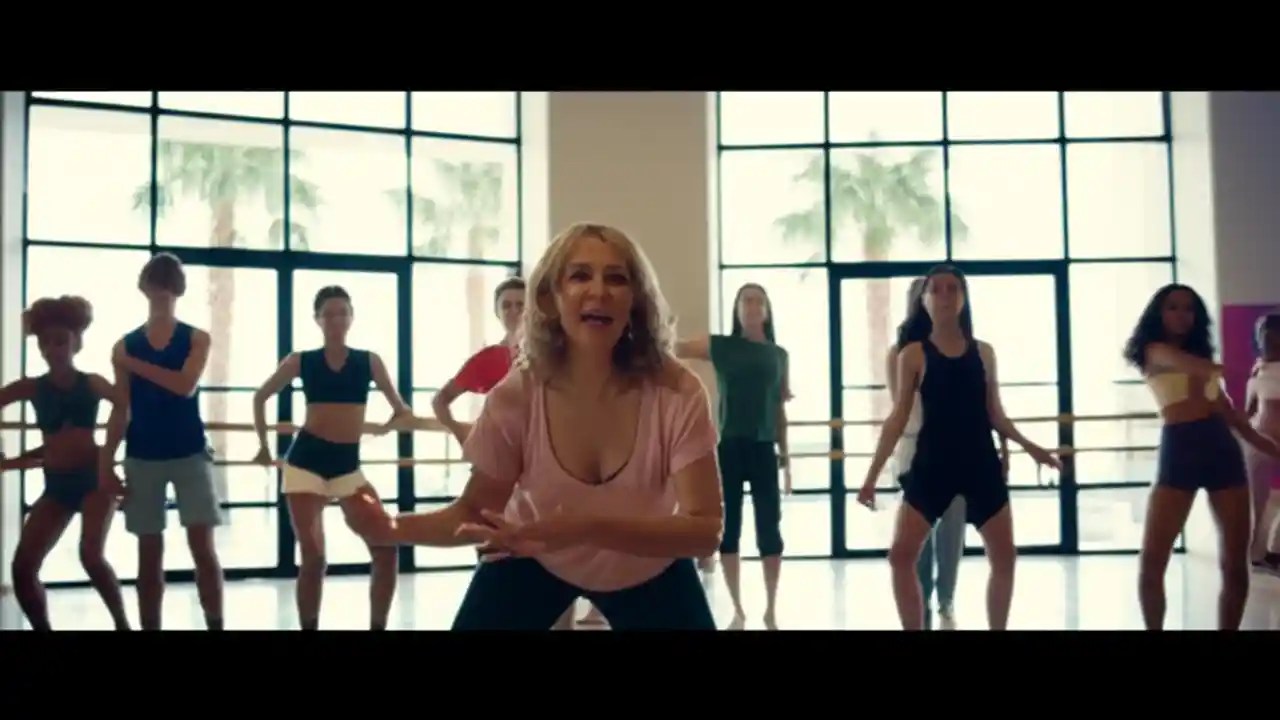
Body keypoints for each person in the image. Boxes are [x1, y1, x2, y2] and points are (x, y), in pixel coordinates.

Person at [366, 221, 723, 630]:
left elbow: (704, 530)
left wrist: (586, 528)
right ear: (551, 298)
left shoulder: (676, 392)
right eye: (580, 275)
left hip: (648, 565)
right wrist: (390, 526)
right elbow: (473, 513)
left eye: (617, 278)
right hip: (534, 553)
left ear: (636, 301)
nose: (599, 290)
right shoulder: (516, 395)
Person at [856, 264, 1060, 631]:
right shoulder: (913, 355)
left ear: (964, 298)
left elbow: (995, 413)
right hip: (933, 466)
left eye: (954, 289)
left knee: (1005, 558)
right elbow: (897, 418)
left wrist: (1032, 448)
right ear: (925, 299)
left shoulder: (984, 353)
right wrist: (871, 476)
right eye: (938, 290)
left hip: (980, 465)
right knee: (901, 557)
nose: (946, 296)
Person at [251, 285, 410, 631]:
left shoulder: (369, 361)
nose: (337, 319)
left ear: (352, 317)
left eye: (343, 312)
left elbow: (400, 407)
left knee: (386, 547)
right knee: (314, 557)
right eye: (329, 313)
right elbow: (260, 396)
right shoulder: (300, 360)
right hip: (305, 465)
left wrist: (386, 425)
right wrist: (264, 446)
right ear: (317, 320)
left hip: (347, 468)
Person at [1121, 283, 1280, 630]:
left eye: (1189, 309)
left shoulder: (1203, 361)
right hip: (1179, 450)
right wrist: (1231, 367)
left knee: (1236, 566)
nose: (1182, 315)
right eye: (1173, 307)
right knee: (1152, 563)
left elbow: (1236, 418)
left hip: (1221, 450)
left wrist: (1272, 448)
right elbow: (1200, 369)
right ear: (1158, 314)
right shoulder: (1155, 351)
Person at [100, 253, 225, 631]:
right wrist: (105, 461)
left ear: (178, 289)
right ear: (145, 286)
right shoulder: (126, 344)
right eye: (156, 280)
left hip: (189, 453)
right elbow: (122, 410)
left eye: (168, 282)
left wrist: (130, 363)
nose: (162, 290)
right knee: (148, 553)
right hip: (142, 455)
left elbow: (184, 386)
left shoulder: (195, 338)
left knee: (203, 550)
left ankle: (216, 624)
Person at [884, 277, 1009, 631]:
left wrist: (1001, 446)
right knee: (914, 541)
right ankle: (920, 608)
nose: (941, 298)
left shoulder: (973, 350)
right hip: (918, 448)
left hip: (961, 448)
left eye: (950, 291)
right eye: (930, 293)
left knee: (953, 529)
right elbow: (901, 409)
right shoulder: (903, 353)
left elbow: (986, 409)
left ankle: (946, 598)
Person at [1, 296, 130, 631]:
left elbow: (126, 408)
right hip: (56, 486)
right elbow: (52, 445)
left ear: (76, 342)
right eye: (46, 342)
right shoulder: (31, 387)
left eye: (61, 341)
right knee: (23, 567)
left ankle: (122, 624)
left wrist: (117, 464)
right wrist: (10, 460)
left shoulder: (92, 383)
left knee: (90, 554)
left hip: (93, 481)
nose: (53, 348)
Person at [675, 282, 791, 631]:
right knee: (731, 527)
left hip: (764, 447)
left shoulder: (778, 355)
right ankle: (738, 610)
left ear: (767, 310)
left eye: (759, 301)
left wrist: (786, 459)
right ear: (737, 309)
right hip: (730, 446)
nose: (753, 306)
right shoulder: (722, 346)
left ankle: (770, 609)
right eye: (746, 300)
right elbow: (676, 347)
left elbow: (779, 408)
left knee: (770, 527)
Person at [432, 276, 525, 445]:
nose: (514, 311)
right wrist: (462, 436)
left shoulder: (552, 352)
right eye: (506, 305)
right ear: (497, 313)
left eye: (521, 305)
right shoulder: (489, 358)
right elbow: (440, 400)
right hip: (503, 452)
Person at [1245, 312, 1280, 575]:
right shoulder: (1258, 372)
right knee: (1258, 501)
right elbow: (1248, 411)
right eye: (1265, 335)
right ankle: (1257, 555)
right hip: (1260, 441)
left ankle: (1273, 549)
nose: (1269, 339)